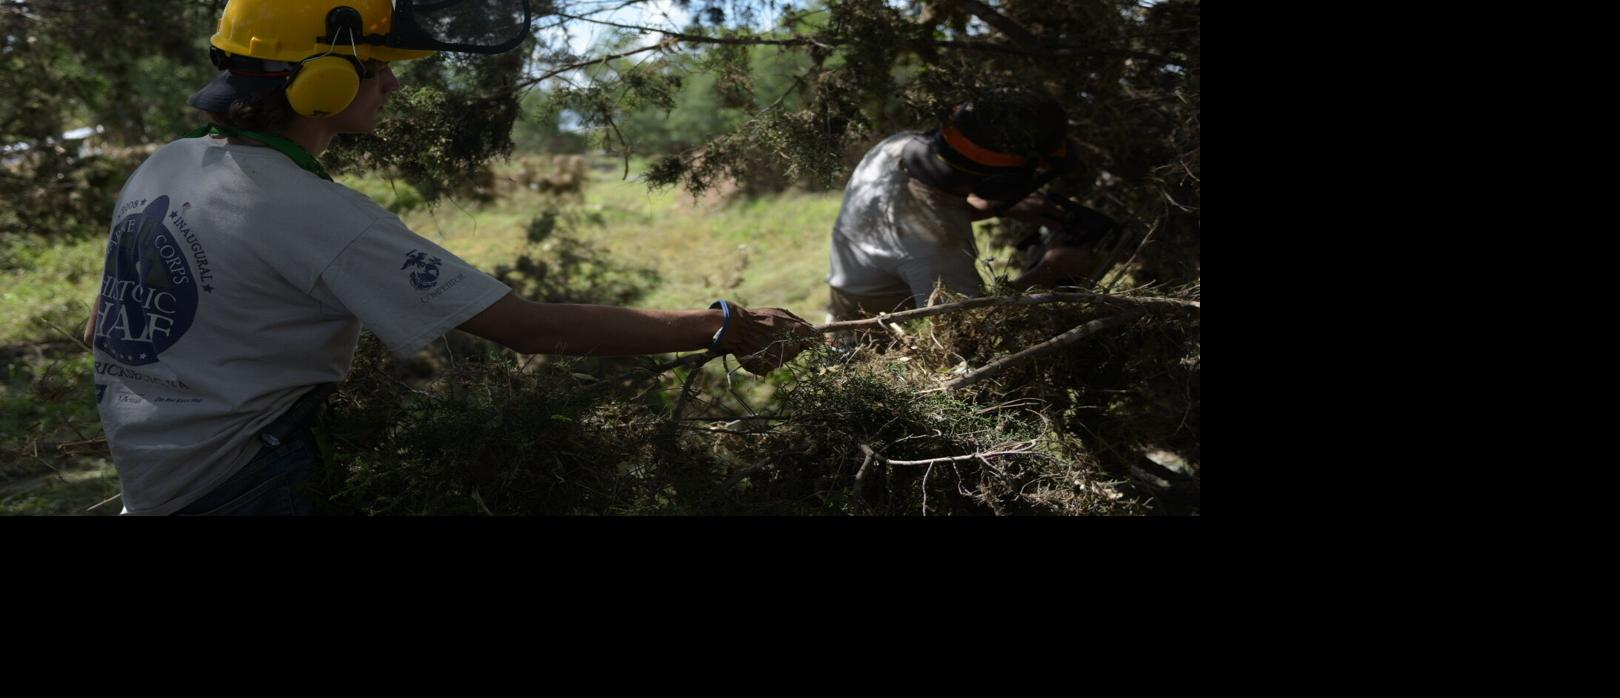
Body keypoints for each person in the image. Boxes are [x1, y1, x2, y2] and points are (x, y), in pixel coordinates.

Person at [83, 0, 820, 515]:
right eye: (376, 66)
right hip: (241, 484)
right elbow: (534, 331)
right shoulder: (315, 213)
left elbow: (101, 328)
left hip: (152, 474)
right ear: (322, 82)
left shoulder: (166, 165)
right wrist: (722, 324)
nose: (394, 82)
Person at [824, 89, 1108, 322]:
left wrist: (996, 206)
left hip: (850, 287)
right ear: (1001, 183)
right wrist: (1049, 273)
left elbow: (904, 211)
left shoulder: (897, 147)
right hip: (876, 332)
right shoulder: (937, 249)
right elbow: (968, 326)